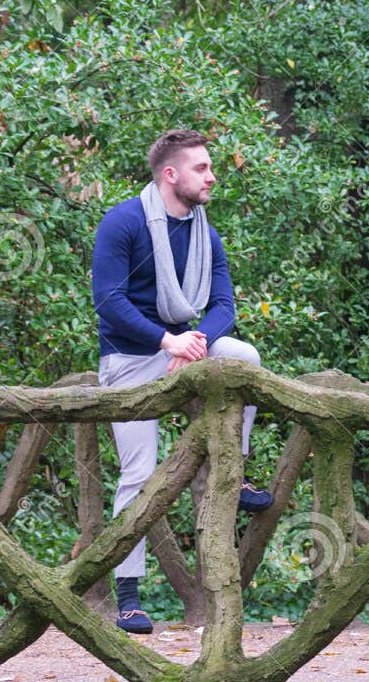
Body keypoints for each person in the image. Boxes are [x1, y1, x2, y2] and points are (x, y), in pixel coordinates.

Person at [90, 128, 273, 634]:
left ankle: (230, 473)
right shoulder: (122, 222)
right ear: (170, 174)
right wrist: (166, 342)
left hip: (185, 350)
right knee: (139, 471)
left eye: (210, 167)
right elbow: (109, 301)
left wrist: (195, 341)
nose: (212, 176)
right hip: (130, 358)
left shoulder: (204, 232)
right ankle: (128, 598)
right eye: (202, 168)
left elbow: (224, 307)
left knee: (242, 356)